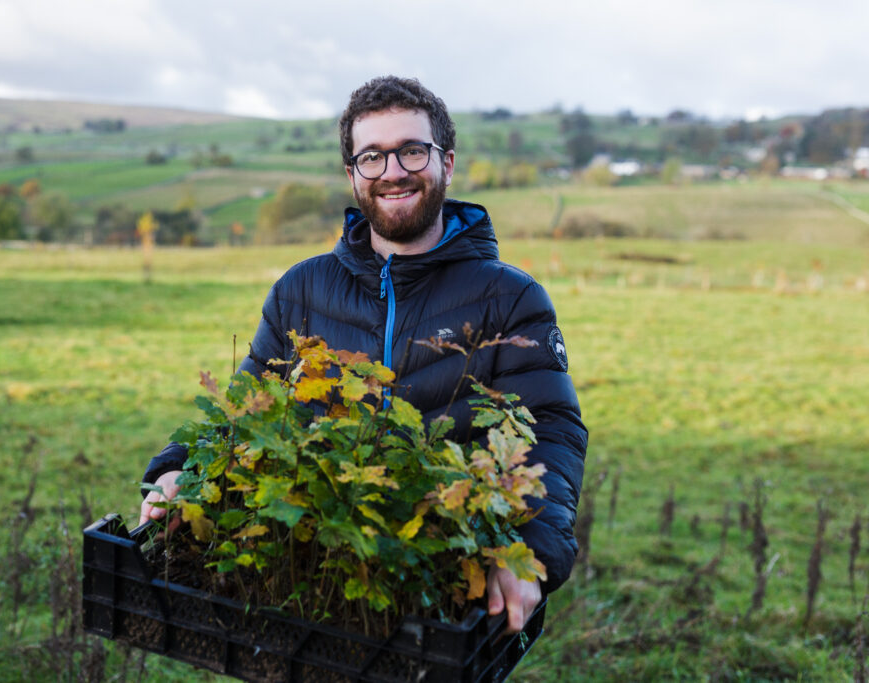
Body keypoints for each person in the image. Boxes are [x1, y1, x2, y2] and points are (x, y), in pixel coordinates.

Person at [140, 75, 587, 635]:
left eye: (411, 151)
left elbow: (551, 427)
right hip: (313, 581)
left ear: (446, 162)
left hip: (443, 581)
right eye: (372, 156)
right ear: (352, 174)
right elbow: (244, 409)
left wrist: (529, 549)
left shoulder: (510, 297)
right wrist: (181, 466)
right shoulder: (299, 291)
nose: (393, 171)